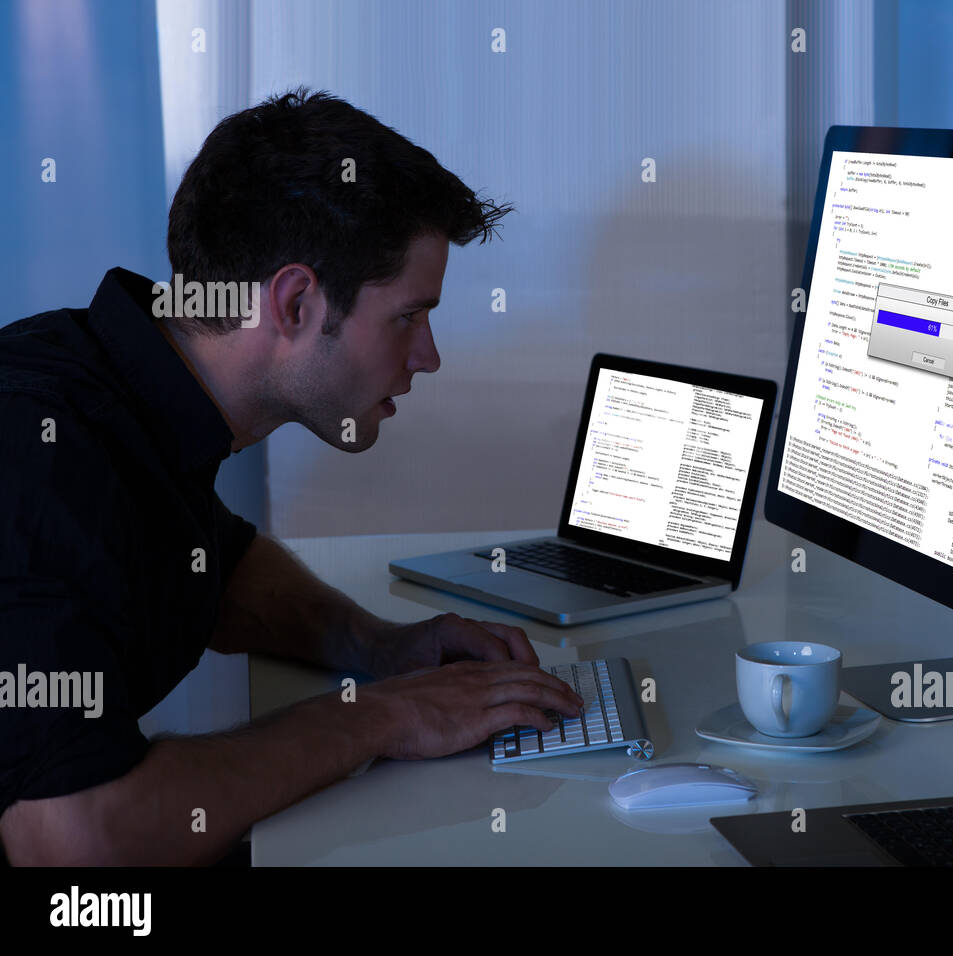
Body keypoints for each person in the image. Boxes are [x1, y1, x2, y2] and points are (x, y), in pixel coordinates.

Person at [0, 88, 582, 865]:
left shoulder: (124, 384)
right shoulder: (40, 463)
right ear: (297, 302)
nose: (429, 355)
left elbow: (212, 561)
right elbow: (77, 843)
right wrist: (380, 717)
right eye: (409, 315)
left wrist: (378, 646)